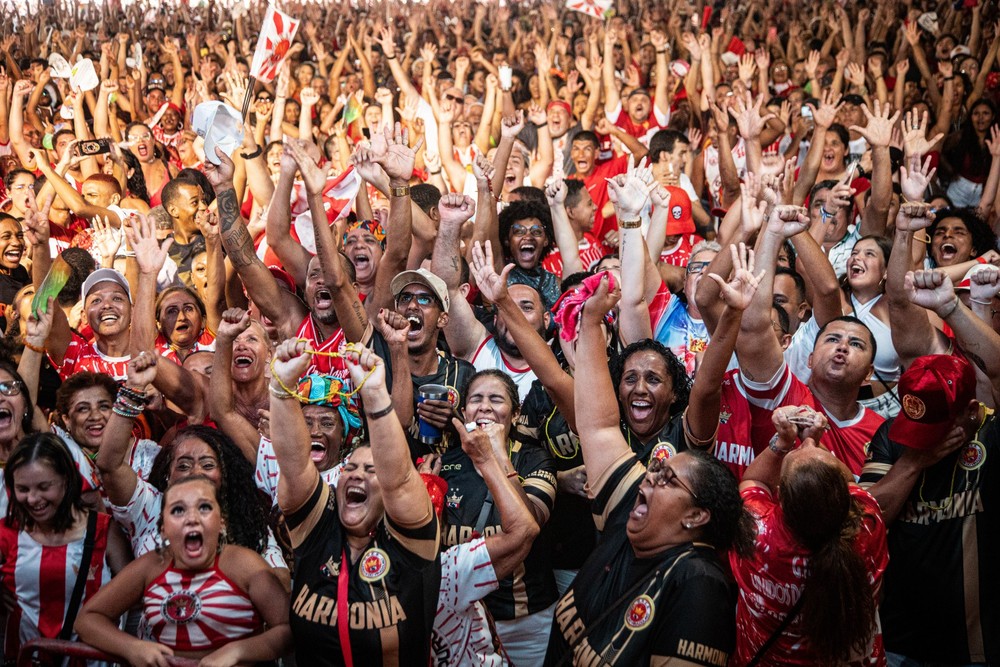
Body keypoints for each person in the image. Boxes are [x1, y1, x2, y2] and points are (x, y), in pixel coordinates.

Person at [545, 275, 754, 665]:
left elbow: (707, 389)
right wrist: (590, 321)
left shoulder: (698, 586)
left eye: (667, 478)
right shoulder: (629, 509)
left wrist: (733, 314)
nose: (651, 476)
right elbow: (598, 426)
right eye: (658, 471)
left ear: (696, 515)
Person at [269, 338, 442, 664]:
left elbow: (400, 481)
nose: (356, 475)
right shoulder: (317, 531)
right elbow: (295, 466)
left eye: (371, 470)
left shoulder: (412, 543)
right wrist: (281, 388)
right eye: (350, 468)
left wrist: (375, 395)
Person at [75, 475, 292, 665]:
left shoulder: (246, 565)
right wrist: (132, 648)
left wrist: (237, 651)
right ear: (163, 529)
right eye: (178, 510)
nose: (192, 519)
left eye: (204, 507)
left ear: (221, 523)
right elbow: (87, 620)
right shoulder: (150, 567)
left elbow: (289, 630)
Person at [731, 405, 888, 665]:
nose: (804, 445)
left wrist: (783, 442)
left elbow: (754, 482)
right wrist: (814, 440)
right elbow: (849, 482)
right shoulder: (869, 524)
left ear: (780, 500)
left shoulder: (758, 535)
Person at [440, 369, 557, 667]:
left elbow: (531, 524)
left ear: (515, 414)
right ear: (464, 411)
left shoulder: (534, 459)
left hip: (526, 622)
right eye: (475, 399)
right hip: (462, 614)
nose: (484, 407)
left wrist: (498, 456)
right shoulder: (446, 464)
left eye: (496, 399)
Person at [0, 434, 128, 662]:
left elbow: (133, 596)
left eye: (44, 487)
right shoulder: (7, 531)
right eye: (23, 489)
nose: (32, 499)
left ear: (67, 480)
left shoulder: (103, 530)